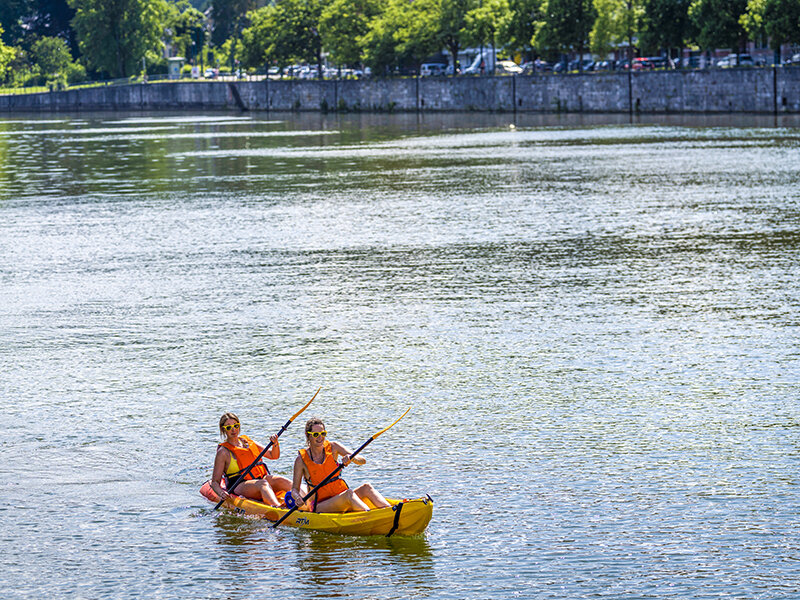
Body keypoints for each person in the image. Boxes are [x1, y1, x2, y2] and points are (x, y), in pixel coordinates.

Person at [290, 417, 391, 513]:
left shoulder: (333, 447)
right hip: (319, 505)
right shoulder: (301, 460)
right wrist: (298, 497)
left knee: (366, 487)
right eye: (316, 434)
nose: (320, 437)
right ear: (308, 435)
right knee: (348, 494)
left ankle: (390, 511)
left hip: (340, 497)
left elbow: (362, 460)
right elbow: (294, 489)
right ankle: (370, 516)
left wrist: (351, 458)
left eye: (323, 433)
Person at [210, 412, 293, 507]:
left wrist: (275, 443)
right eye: (229, 427)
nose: (233, 430)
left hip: (258, 479)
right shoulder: (223, 452)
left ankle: (304, 498)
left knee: (280, 480)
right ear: (223, 429)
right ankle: (277, 508)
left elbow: (273, 455)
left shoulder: (247, 442)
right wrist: (221, 493)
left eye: (236, 426)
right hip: (239, 485)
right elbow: (215, 482)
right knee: (263, 484)